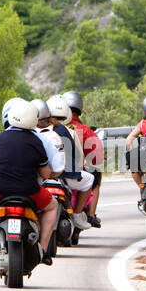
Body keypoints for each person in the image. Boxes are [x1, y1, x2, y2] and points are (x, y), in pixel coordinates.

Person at [0, 98, 58, 264]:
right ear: (34, 119)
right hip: (29, 192)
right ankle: (43, 250)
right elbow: (46, 174)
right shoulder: (38, 140)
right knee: (52, 206)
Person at [47, 95, 94, 230]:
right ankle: (77, 214)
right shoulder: (66, 130)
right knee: (89, 179)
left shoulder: (36, 130)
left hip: (41, 174)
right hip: (65, 174)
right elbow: (76, 155)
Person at [63, 91, 103, 228]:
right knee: (95, 179)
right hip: (76, 170)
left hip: (55, 170)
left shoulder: (53, 128)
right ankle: (91, 215)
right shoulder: (85, 130)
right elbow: (97, 156)